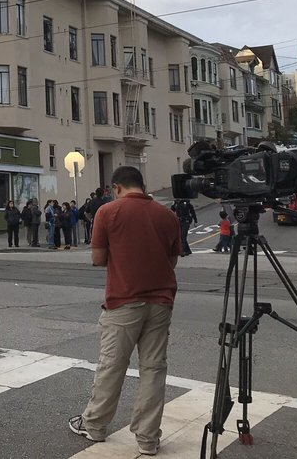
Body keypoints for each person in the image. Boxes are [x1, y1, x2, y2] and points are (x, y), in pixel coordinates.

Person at [69, 166, 181, 456]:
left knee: (112, 365)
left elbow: (98, 259)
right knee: (154, 369)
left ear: (116, 187)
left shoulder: (108, 212)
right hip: (161, 301)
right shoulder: (167, 216)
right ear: (142, 186)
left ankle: (94, 425)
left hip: (123, 300)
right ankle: (148, 439)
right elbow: (172, 260)